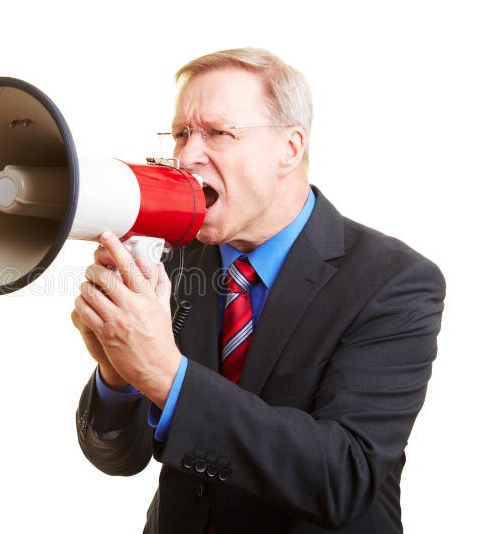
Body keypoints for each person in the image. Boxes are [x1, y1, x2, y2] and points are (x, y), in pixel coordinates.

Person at [71, 48, 445, 534]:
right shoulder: (176, 258)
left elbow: (343, 478)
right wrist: (117, 373)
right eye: (182, 134)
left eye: (217, 133)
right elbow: (119, 459)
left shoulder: (394, 283)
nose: (186, 157)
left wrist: (164, 373)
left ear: (289, 148)